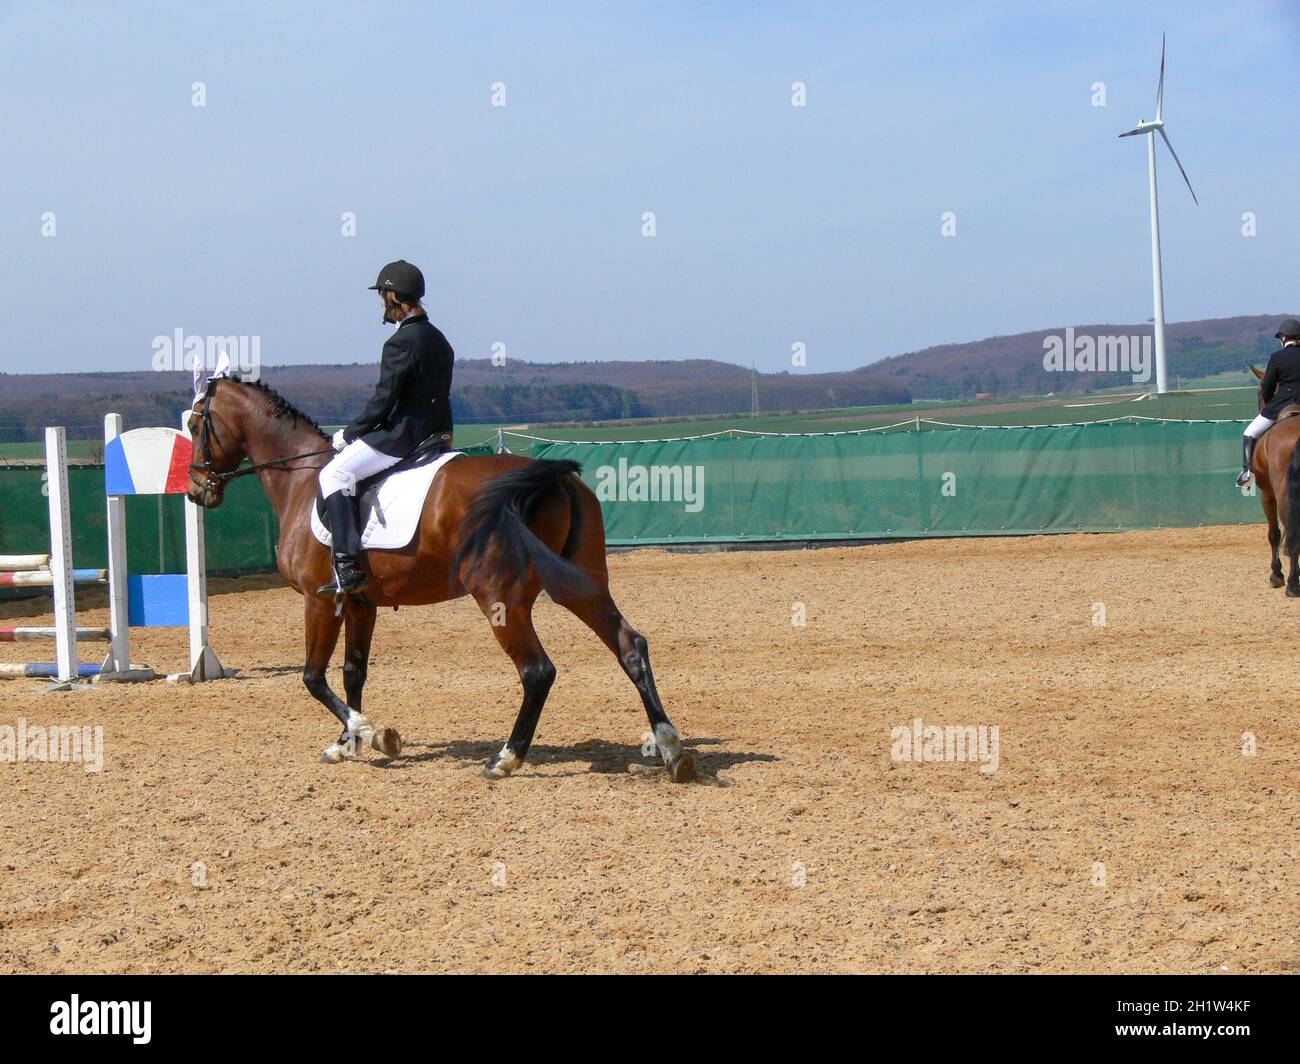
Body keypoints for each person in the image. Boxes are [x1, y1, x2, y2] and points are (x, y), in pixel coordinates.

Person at [318, 260, 455, 594]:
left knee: (333, 475)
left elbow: (383, 401)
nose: (381, 304)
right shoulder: (439, 339)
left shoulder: (400, 342)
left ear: (393, 296)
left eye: (382, 296)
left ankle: (346, 567)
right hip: (438, 434)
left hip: (403, 436)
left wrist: (347, 434)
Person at [1237, 318, 1300, 487]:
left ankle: (1247, 474)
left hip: (1282, 405)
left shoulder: (1277, 357)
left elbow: (1267, 386)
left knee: (1249, 433)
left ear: (1284, 338)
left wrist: (1270, 402)